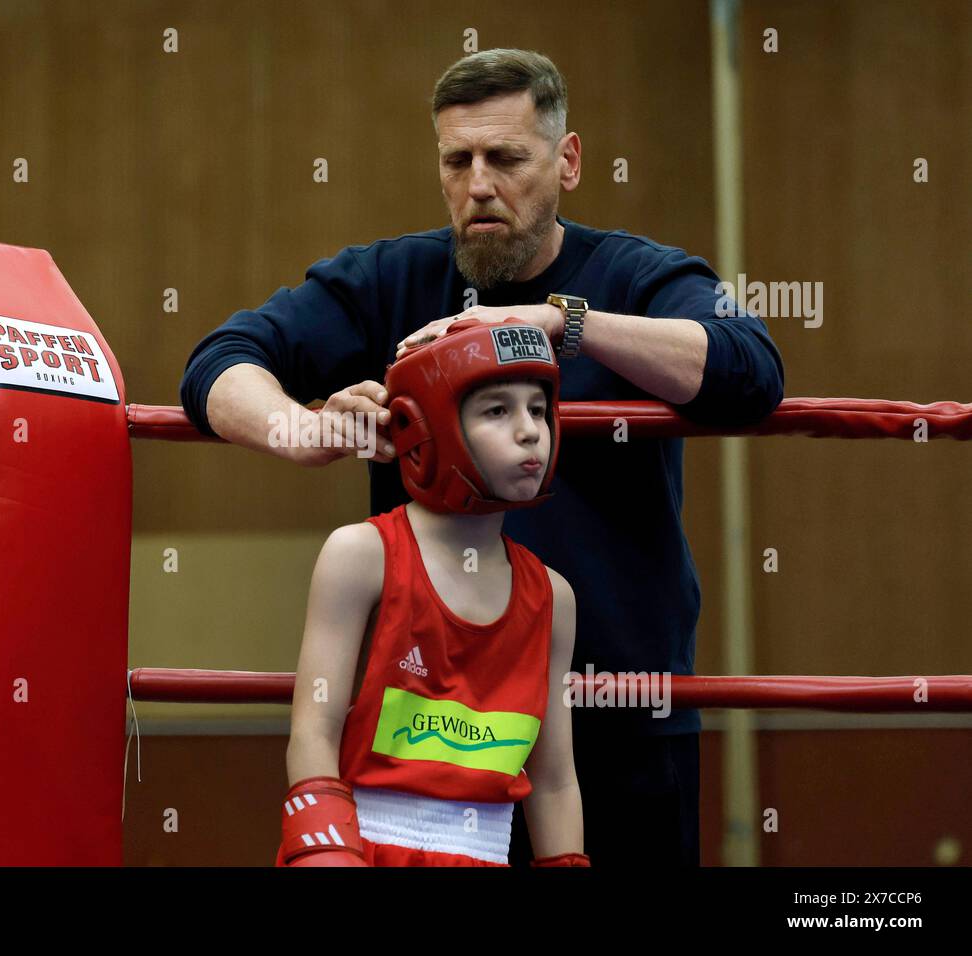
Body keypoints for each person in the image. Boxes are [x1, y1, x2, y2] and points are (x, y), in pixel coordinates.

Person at [180, 49, 784, 866]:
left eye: (505, 158)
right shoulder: (391, 281)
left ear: (567, 161)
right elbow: (219, 363)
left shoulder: (635, 275)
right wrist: (302, 430)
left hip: (619, 718)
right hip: (437, 733)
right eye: (457, 160)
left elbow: (752, 369)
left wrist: (563, 322)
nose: (479, 185)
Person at [276, 318, 586, 866]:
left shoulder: (553, 598)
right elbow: (313, 730)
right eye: (497, 410)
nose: (529, 431)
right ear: (428, 427)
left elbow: (556, 778)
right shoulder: (361, 556)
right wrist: (327, 852)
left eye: (538, 409)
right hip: (359, 846)